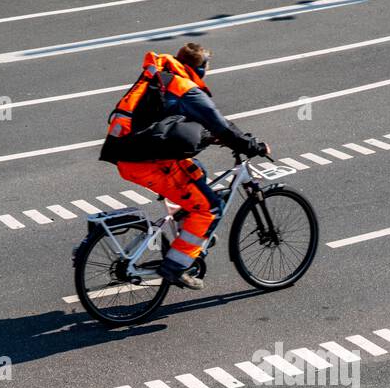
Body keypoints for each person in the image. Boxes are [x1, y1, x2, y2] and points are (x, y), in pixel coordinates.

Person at [99, 43, 270, 290]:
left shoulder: (163, 77)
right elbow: (219, 123)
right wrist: (252, 146)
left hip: (131, 151)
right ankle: (176, 267)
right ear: (200, 69)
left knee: (196, 171)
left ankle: (185, 228)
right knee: (209, 208)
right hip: (144, 161)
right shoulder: (186, 89)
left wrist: (224, 135)